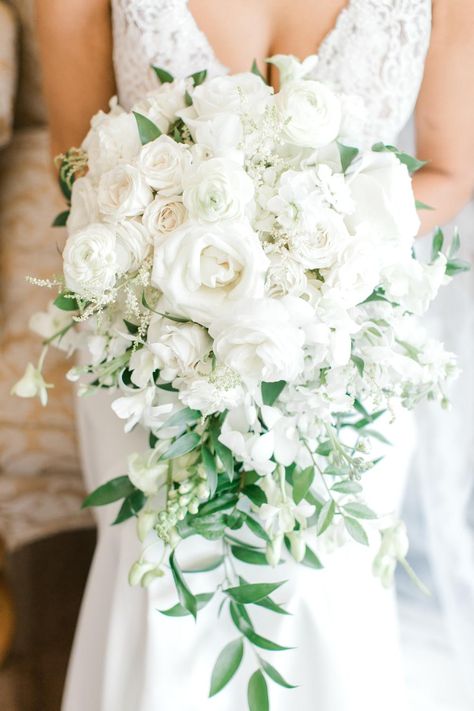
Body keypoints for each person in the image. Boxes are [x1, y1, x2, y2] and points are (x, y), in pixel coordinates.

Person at [35, 2, 474, 710]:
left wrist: (310, 256)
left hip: (349, 339)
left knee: (328, 592)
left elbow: (451, 171)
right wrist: (198, 274)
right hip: (154, 345)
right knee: (166, 594)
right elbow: (77, 173)